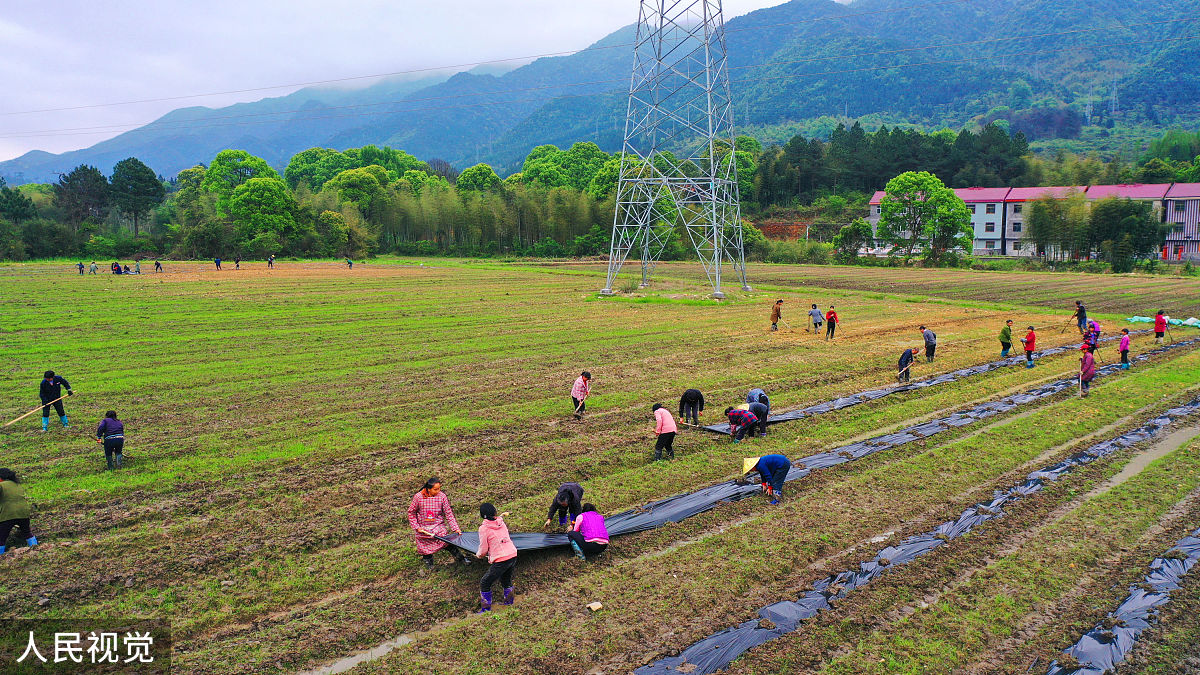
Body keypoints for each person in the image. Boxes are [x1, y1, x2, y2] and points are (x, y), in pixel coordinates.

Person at [406, 477, 468, 570]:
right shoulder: (418, 497)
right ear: (428, 489)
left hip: (438, 526)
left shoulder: (442, 496)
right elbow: (411, 512)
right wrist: (417, 527)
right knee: (425, 549)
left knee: (447, 542)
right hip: (424, 528)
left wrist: (455, 528)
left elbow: (448, 513)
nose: (438, 491)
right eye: (435, 489)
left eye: (439, 488)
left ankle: (461, 558)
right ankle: (429, 566)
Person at [475, 503, 517, 612]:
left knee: (485, 582)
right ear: (495, 513)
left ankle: (485, 609)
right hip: (512, 554)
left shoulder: (483, 529)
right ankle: (509, 602)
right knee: (506, 580)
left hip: (501, 559)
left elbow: (483, 549)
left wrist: (478, 555)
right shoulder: (501, 522)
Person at [0, 468, 37, 555]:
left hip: (8, 515)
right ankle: (36, 549)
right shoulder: (17, 485)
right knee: (27, 532)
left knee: (1, 537)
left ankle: (1, 557)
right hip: (24, 513)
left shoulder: (1, 485)